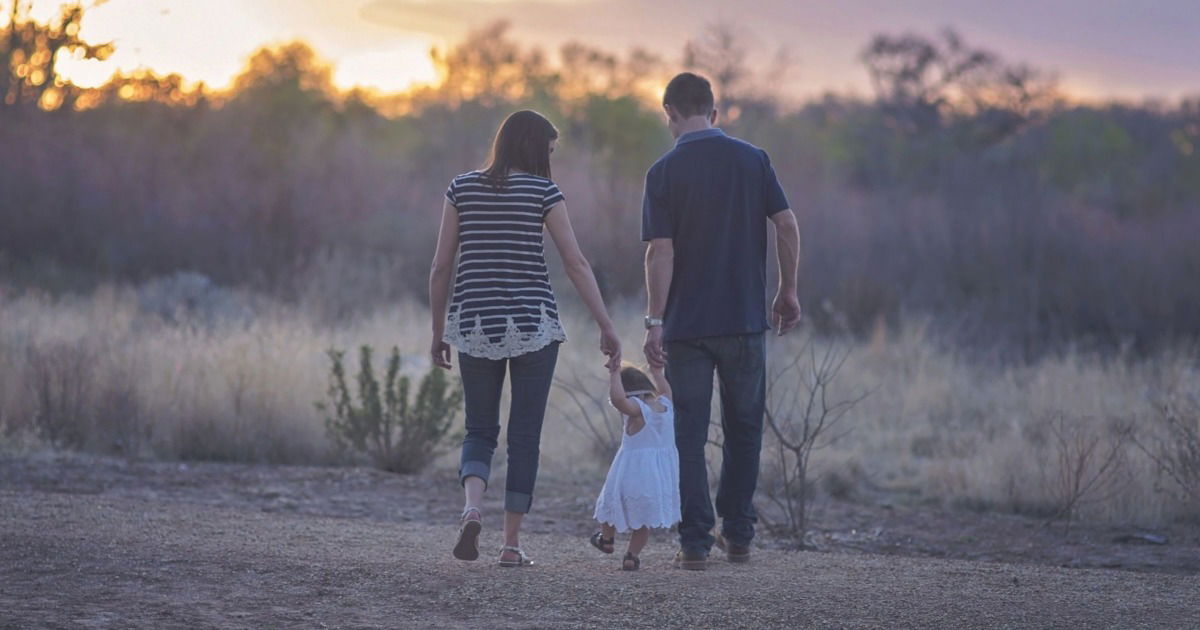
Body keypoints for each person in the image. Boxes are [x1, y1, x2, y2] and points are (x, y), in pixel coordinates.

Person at [429, 110, 621, 567]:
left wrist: (438, 332)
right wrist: (606, 324)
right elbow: (575, 264)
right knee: (524, 437)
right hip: (534, 326)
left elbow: (440, 267)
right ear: (535, 147)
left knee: (479, 429)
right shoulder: (543, 192)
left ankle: (472, 507)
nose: (551, 160)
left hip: (474, 324)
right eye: (549, 150)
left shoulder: (461, 188)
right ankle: (511, 545)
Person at [640, 73, 802, 570]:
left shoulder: (663, 172)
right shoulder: (753, 160)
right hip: (744, 320)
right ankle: (739, 535)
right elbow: (787, 224)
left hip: (687, 327)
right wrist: (787, 289)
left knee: (688, 433)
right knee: (745, 428)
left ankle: (694, 543)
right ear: (714, 111)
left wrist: (654, 320)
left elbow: (659, 252)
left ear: (669, 113)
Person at [589, 364, 681, 571]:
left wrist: (614, 374)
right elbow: (666, 389)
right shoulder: (666, 404)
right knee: (643, 521)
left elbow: (618, 400)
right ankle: (631, 556)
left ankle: (607, 539)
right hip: (657, 477)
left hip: (631, 473)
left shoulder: (637, 410)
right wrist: (657, 372)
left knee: (609, 505)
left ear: (629, 393)